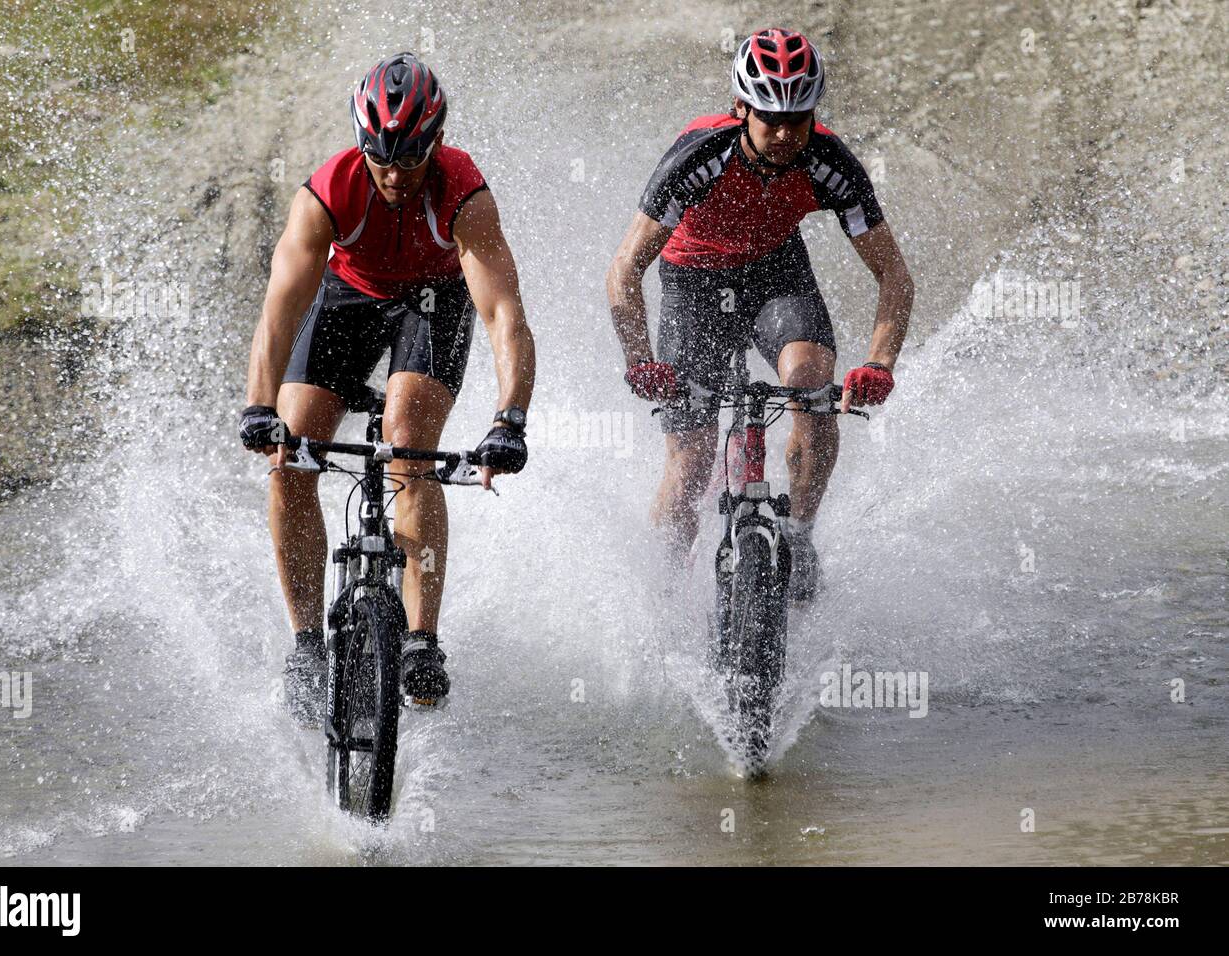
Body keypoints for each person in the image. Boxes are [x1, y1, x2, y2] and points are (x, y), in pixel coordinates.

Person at [240, 52, 535, 721]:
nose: (396, 175)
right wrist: (259, 406)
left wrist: (509, 419)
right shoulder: (329, 191)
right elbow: (280, 312)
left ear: (436, 142)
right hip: (351, 295)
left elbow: (503, 315)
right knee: (290, 458)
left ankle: (422, 639)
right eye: (382, 159)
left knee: (410, 445)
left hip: (434, 300)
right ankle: (306, 645)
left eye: (411, 158)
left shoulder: (463, 194)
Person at [606, 28, 912, 600]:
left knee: (812, 383)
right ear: (741, 107)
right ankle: (660, 595)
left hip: (775, 271)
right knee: (692, 464)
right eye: (768, 117)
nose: (783, 133)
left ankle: (799, 534)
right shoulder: (698, 157)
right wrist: (640, 360)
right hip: (692, 280)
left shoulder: (830, 162)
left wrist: (880, 363)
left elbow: (894, 277)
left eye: (798, 118)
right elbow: (624, 271)